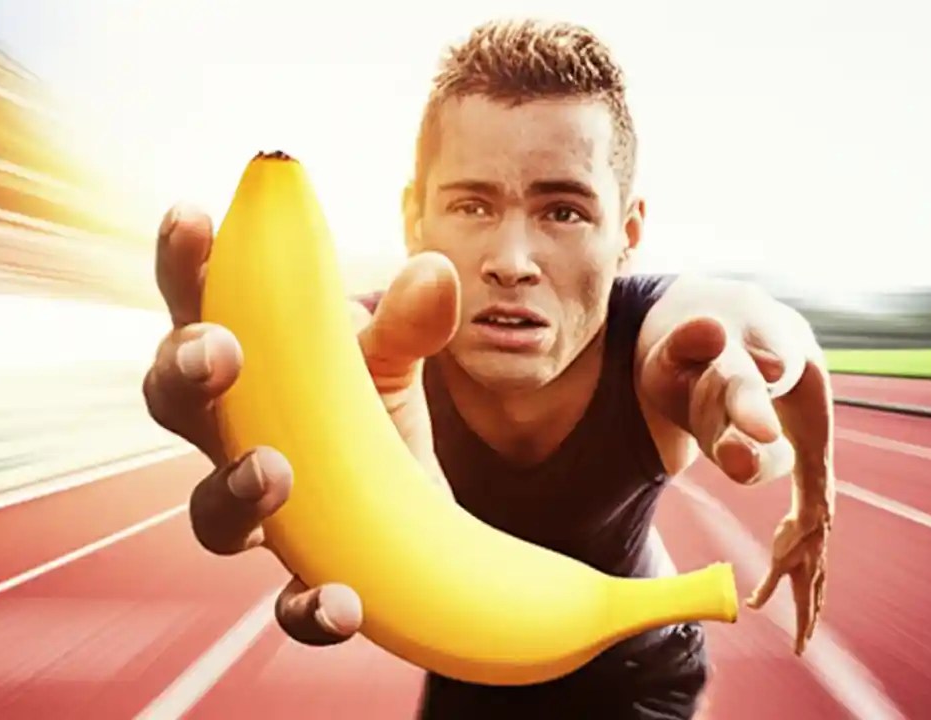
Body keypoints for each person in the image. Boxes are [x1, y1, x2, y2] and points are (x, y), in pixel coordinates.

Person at [143, 17, 835, 719]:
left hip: (644, 672)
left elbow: (774, 337)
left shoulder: (664, 343)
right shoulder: (360, 366)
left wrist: (814, 496)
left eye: (563, 212)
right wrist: (265, 410)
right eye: (472, 205)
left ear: (627, 235)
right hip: (465, 661)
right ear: (414, 217)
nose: (511, 260)